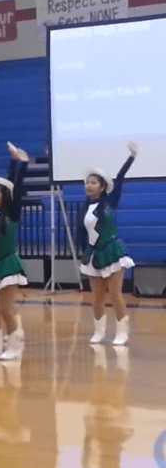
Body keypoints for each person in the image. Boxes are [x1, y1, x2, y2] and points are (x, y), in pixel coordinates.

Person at [80, 142, 138, 345]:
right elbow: (83, 233)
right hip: (94, 254)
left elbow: (120, 179)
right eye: (87, 182)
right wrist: (84, 254)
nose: (89, 185)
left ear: (102, 186)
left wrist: (131, 157)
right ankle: (99, 331)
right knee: (96, 297)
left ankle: (122, 332)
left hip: (113, 251)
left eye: (93, 182)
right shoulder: (85, 206)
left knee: (114, 294)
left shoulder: (110, 201)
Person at [0, 143, 30, 361]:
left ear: (4, 195)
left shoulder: (12, 213)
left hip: (8, 264)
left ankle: (14, 346)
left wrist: (18, 163)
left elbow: (15, 187)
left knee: (5, 309)